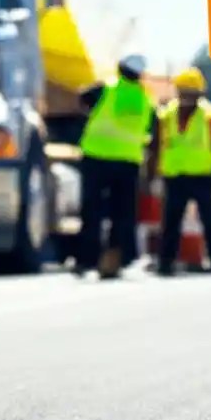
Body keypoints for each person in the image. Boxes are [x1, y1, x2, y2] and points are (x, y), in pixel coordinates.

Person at [74, 53, 155, 279]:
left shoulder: (105, 88)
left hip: (97, 157)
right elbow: (150, 132)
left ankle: (86, 261)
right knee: (123, 215)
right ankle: (113, 262)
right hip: (128, 162)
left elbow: (82, 99)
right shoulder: (145, 99)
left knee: (92, 212)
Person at [151, 67, 211, 276]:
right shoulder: (166, 114)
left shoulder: (210, 114)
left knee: (210, 221)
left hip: (203, 176)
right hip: (174, 176)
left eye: (191, 93)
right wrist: (152, 175)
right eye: (183, 92)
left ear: (199, 94)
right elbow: (156, 145)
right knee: (171, 222)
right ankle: (166, 264)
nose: (187, 97)